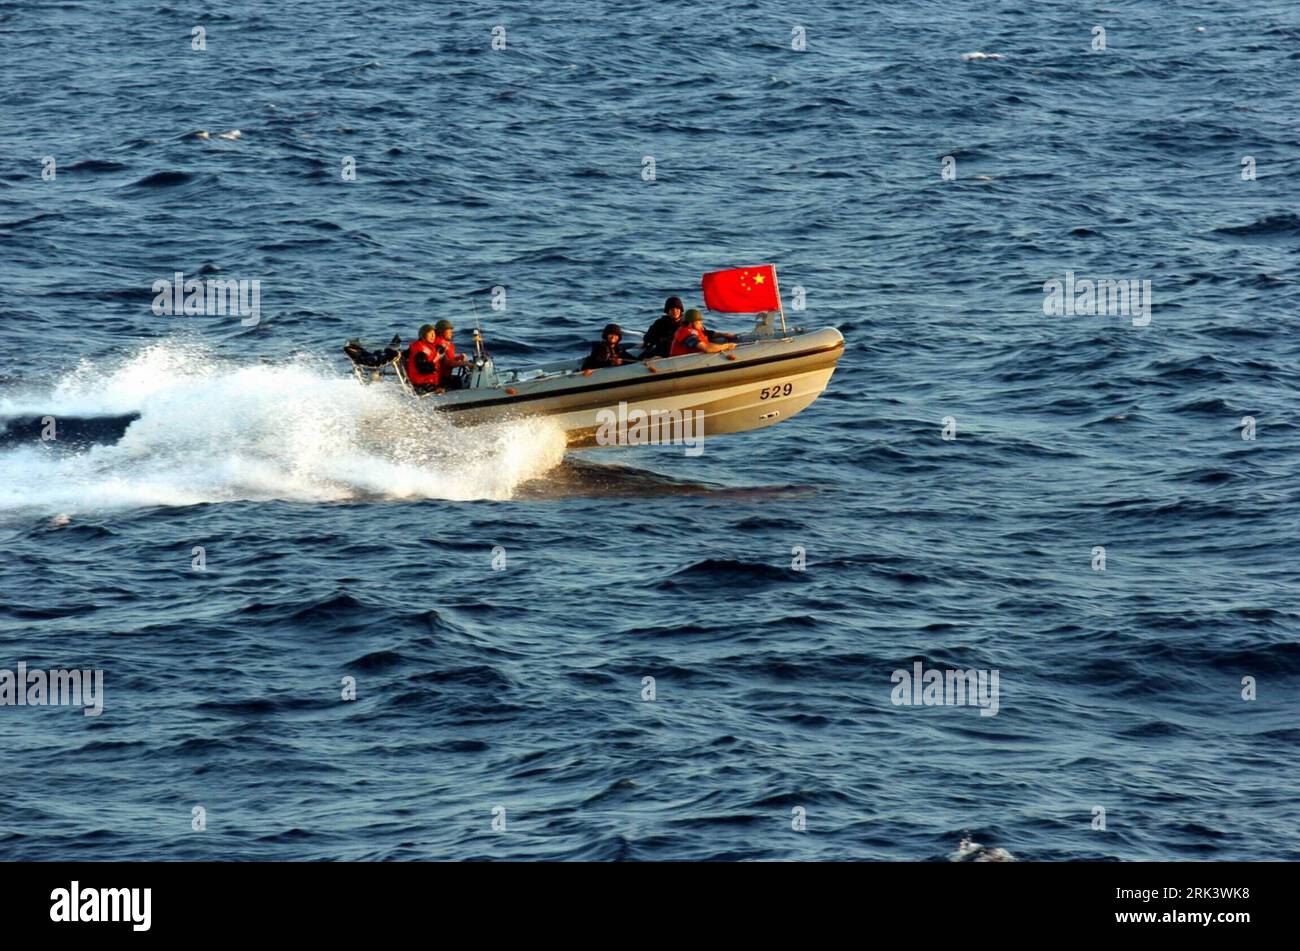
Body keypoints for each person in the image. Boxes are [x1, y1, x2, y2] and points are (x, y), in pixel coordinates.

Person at [670, 309, 738, 356]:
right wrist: (726, 346)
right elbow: (707, 348)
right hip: (681, 361)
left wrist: (723, 336)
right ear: (691, 322)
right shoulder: (685, 333)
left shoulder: (695, 331)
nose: (701, 323)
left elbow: (707, 341)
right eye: (699, 321)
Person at [431, 319, 471, 389]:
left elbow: (450, 359)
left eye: (451, 330)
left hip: (447, 377)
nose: (451, 333)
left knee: (461, 380)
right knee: (460, 383)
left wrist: (459, 357)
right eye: (448, 331)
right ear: (441, 332)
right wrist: (465, 363)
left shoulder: (448, 344)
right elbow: (447, 363)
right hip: (440, 380)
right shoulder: (438, 344)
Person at [406, 324, 443, 390]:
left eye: (434, 333)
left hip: (430, 381)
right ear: (423, 335)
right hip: (421, 384)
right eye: (430, 333)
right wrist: (436, 359)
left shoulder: (430, 346)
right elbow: (423, 369)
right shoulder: (419, 349)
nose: (433, 336)